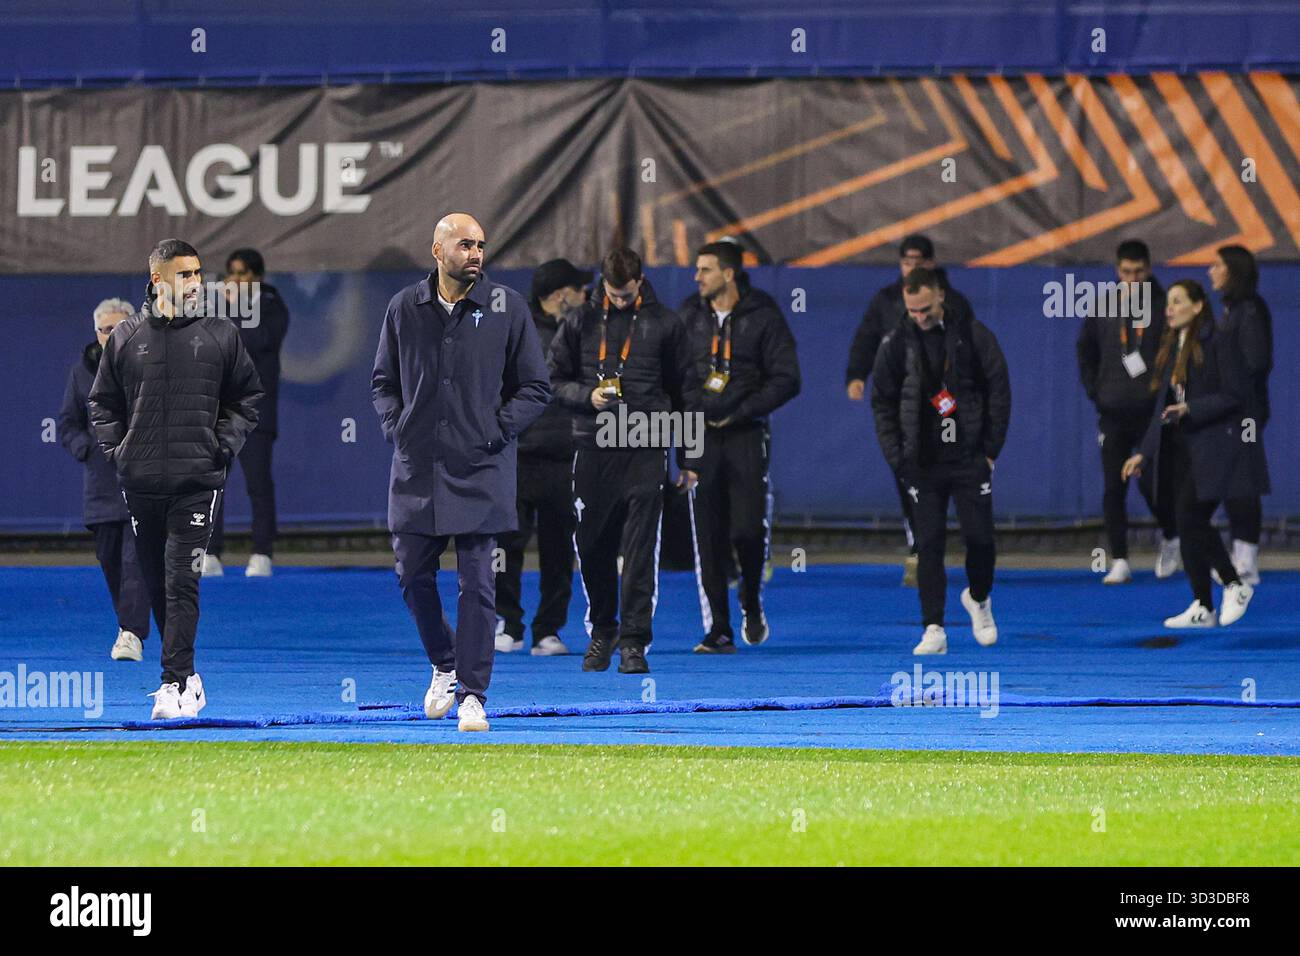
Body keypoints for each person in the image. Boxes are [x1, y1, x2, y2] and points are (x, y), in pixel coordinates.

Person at [371, 213, 551, 733]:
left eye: (480, 245)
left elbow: (535, 387)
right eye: (465, 244)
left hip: (481, 467)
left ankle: (473, 694)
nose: (475, 253)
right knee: (410, 574)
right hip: (416, 467)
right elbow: (383, 381)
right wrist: (396, 426)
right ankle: (444, 663)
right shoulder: (404, 307)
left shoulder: (506, 308)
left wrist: (494, 432)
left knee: (478, 584)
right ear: (437, 250)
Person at [88, 239, 264, 719]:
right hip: (141, 481)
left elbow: (247, 397)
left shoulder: (220, 334)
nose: (195, 283)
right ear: (156, 280)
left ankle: (170, 682)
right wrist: (118, 451)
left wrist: (221, 445)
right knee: (155, 581)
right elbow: (102, 403)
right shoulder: (126, 337)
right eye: (184, 274)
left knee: (180, 580)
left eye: (197, 273)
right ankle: (188, 678)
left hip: (196, 482)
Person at [548, 247, 700, 674]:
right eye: (612, 294)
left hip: (645, 446)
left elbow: (687, 391)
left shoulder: (666, 324)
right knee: (592, 546)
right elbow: (552, 380)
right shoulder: (579, 320)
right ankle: (603, 629)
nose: (618, 301)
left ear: (641, 282)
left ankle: (634, 641)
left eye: (626, 294)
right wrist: (586, 396)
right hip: (593, 447)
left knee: (638, 551)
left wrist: (690, 458)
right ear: (603, 285)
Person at [870, 267, 1011, 655]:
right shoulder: (896, 343)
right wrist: (898, 459)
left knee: (980, 540)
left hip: (968, 457)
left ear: (941, 296)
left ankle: (979, 598)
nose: (920, 316)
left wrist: (990, 449)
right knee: (928, 545)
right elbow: (881, 401)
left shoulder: (972, 335)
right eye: (913, 310)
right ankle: (933, 626)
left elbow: (998, 388)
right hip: (922, 463)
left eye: (926, 308)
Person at [679, 241, 800, 653]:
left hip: (746, 434)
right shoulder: (689, 316)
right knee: (707, 536)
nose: (697, 277)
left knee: (747, 530)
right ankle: (719, 628)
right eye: (697, 269)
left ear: (729, 274)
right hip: (700, 435)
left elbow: (787, 378)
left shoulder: (762, 314)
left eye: (705, 270)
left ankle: (750, 598)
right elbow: (673, 374)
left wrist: (742, 411)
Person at [1121, 280, 1264, 627]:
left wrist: (1191, 409)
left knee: (1190, 517)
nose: (1169, 308)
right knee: (1188, 523)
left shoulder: (1219, 341)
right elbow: (1163, 406)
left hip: (1217, 448)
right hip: (1183, 450)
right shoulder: (1173, 346)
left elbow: (1235, 395)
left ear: (1199, 306)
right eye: (1168, 302)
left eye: (1178, 301)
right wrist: (1145, 452)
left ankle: (1234, 585)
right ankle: (1204, 606)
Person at [847, 235, 975, 587]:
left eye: (918, 261)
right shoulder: (887, 302)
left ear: (931, 265)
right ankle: (920, 548)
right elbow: (866, 339)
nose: (912, 267)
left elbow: (972, 355)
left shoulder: (956, 305)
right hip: (908, 406)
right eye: (906, 261)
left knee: (953, 479)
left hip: (948, 406)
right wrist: (857, 375)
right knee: (910, 477)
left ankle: (967, 547)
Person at [493, 259, 590, 657]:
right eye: (580, 290)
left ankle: (548, 629)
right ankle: (507, 623)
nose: (586, 296)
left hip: (566, 457)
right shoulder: (516, 330)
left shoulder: (584, 332)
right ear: (559, 295)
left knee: (560, 549)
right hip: (516, 456)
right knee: (505, 546)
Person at [1076, 239, 1178, 583]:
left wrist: (1165, 399)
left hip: (1153, 413)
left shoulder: (1165, 306)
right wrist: (1096, 391)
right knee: (1112, 487)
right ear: (1117, 271)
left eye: (1138, 272)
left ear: (1148, 269)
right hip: (1112, 410)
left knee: (1154, 485)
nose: (1132, 279)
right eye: (1125, 272)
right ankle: (1119, 557)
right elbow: (1085, 350)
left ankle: (1171, 537)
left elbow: (1175, 356)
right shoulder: (1103, 306)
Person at [59, 298, 151, 662]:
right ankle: (127, 624)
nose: (111, 335)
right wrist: (84, 448)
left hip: (142, 480)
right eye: (105, 329)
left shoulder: (152, 365)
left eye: (119, 327)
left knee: (135, 560)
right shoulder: (80, 371)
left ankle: (131, 632)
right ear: (95, 332)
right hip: (99, 485)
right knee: (112, 560)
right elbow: (67, 422)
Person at [205, 248, 291, 577]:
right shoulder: (215, 306)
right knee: (212, 484)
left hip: (255, 412)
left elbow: (258, 340)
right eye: (232, 273)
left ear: (258, 276)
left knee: (258, 484)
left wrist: (236, 307)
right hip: (219, 411)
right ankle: (210, 552)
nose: (236, 279)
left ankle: (261, 552)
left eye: (243, 273)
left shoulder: (271, 305)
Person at [1208, 245, 1272, 586]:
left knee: (1243, 483)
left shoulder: (1249, 310)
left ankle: (1246, 562)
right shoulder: (1233, 309)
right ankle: (1240, 554)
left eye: (1216, 266)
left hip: (1244, 414)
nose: (1210, 271)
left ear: (1233, 270)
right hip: (1232, 412)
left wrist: (1230, 395)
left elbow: (1256, 362)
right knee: (1233, 483)